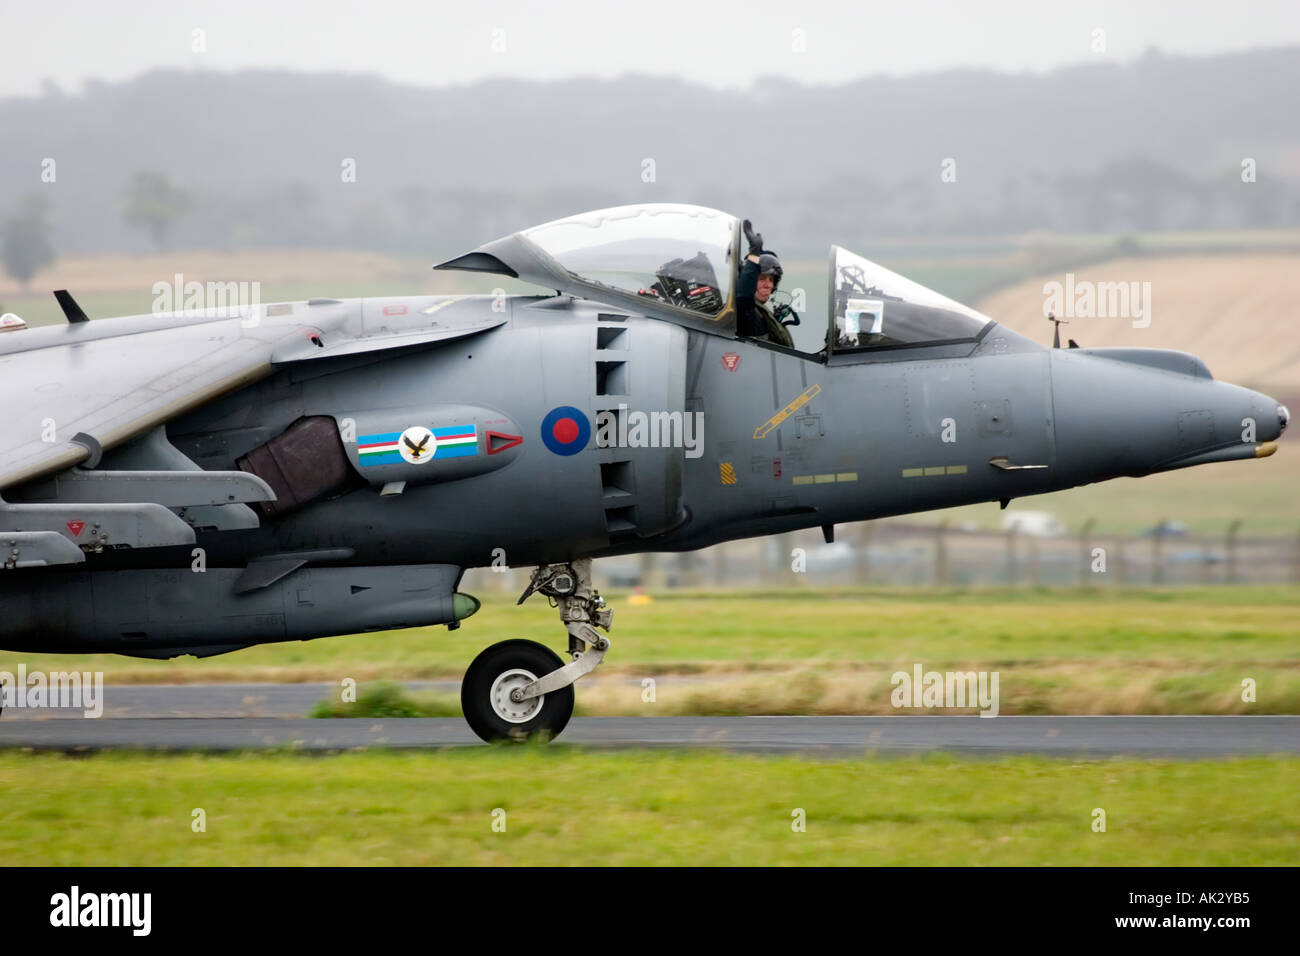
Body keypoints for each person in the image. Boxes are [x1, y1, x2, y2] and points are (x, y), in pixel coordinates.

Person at [736, 220, 793, 347]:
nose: (768, 285)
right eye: (762, 279)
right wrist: (754, 253)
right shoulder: (746, 312)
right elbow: (744, 297)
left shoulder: (761, 313)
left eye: (771, 280)